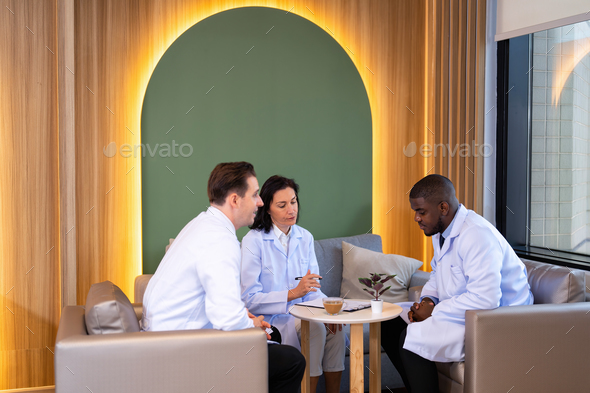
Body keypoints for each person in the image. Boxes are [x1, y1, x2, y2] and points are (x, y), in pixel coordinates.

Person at [142, 162, 305, 393]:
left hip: (169, 339)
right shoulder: (220, 241)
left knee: (275, 342)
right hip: (181, 351)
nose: (260, 202)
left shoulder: (202, 224)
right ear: (235, 200)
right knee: (292, 361)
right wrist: (252, 323)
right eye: (255, 194)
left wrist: (245, 317)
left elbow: (215, 302)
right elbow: (227, 320)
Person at [381, 174, 533, 392]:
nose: (416, 218)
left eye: (421, 212)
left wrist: (434, 312)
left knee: (411, 337)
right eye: (415, 211)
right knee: (390, 323)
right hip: (466, 312)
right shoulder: (440, 230)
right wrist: (428, 300)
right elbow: (437, 272)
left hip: (499, 320)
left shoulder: (476, 235)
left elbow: (486, 299)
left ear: (443, 207)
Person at [241, 175, 346, 393]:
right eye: (282, 205)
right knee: (315, 328)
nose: (291, 210)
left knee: (336, 329)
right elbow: (249, 299)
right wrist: (292, 293)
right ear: (267, 208)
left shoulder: (305, 237)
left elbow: (312, 289)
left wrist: (328, 310)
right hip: (273, 319)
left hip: (303, 312)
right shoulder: (254, 241)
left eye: (294, 202)